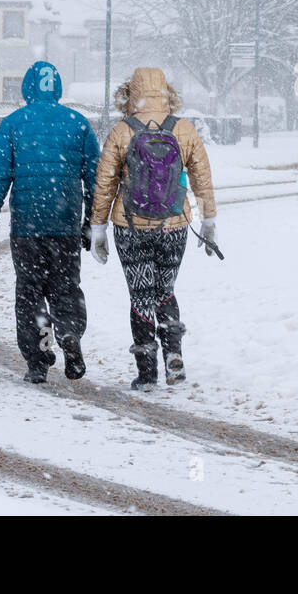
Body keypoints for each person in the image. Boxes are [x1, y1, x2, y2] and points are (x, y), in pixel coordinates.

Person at [88, 67, 217, 390]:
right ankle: (174, 356)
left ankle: (147, 373)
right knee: (165, 291)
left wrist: (98, 228)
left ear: (129, 94)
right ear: (167, 92)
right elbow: (202, 180)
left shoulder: (122, 131)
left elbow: (104, 184)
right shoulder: (183, 129)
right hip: (174, 225)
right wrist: (209, 221)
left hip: (130, 227)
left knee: (140, 296)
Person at [0, 60, 100, 384]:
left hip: (27, 227)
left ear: (27, 88)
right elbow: (95, 179)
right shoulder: (78, 123)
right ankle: (70, 335)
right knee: (65, 288)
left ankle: (40, 356)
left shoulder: (13, 124)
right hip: (65, 224)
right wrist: (92, 221)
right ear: (57, 86)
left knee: (31, 294)